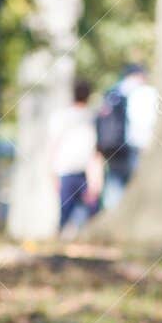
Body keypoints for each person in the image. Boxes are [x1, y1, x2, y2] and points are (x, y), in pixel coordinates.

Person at [96, 63, 157, 210]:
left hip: (112, 146)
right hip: (133, 146)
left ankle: (112, 211)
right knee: (132, 181)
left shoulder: (113, 92)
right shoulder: (142, 92)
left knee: (114, 184)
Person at [48, 79, 98, 237]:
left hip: (80, 171)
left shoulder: (90, 117)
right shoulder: (65, 117)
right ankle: (61, 237)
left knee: (89, 210)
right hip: (68, 170)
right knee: (66, 210)